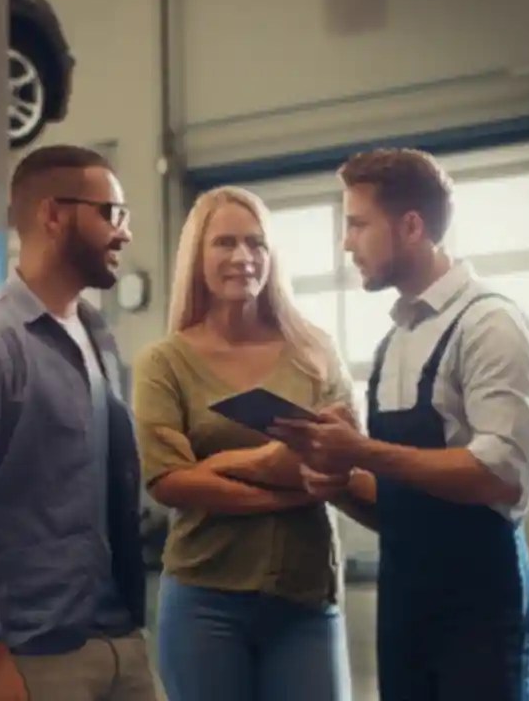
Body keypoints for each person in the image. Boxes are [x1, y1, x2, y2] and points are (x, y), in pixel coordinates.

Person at [271, 148, 529, 701]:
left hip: (480, 605)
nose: (346, 243)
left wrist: (364, 451)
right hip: (406, 602)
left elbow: (500, 476)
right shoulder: (395, 342)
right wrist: (340, 480)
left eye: (357, 224)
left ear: (412, 226)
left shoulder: (489, 324)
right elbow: (403, 500)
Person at [0, 144, 156, 701]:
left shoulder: (97, 335)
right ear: (53, 214)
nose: (123, 233)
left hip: (119, 635)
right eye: (110, 214)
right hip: (33, 652)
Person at [132, 185, 362, 701]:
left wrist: (224, 465)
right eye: (225, 243)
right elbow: (170, 481)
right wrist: (276, 470)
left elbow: (345, 458)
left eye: (256, 243)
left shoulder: (314, 352)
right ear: (198, 256)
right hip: (205, 598)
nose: (243, 257)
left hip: (306, 596)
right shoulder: (165, 362)